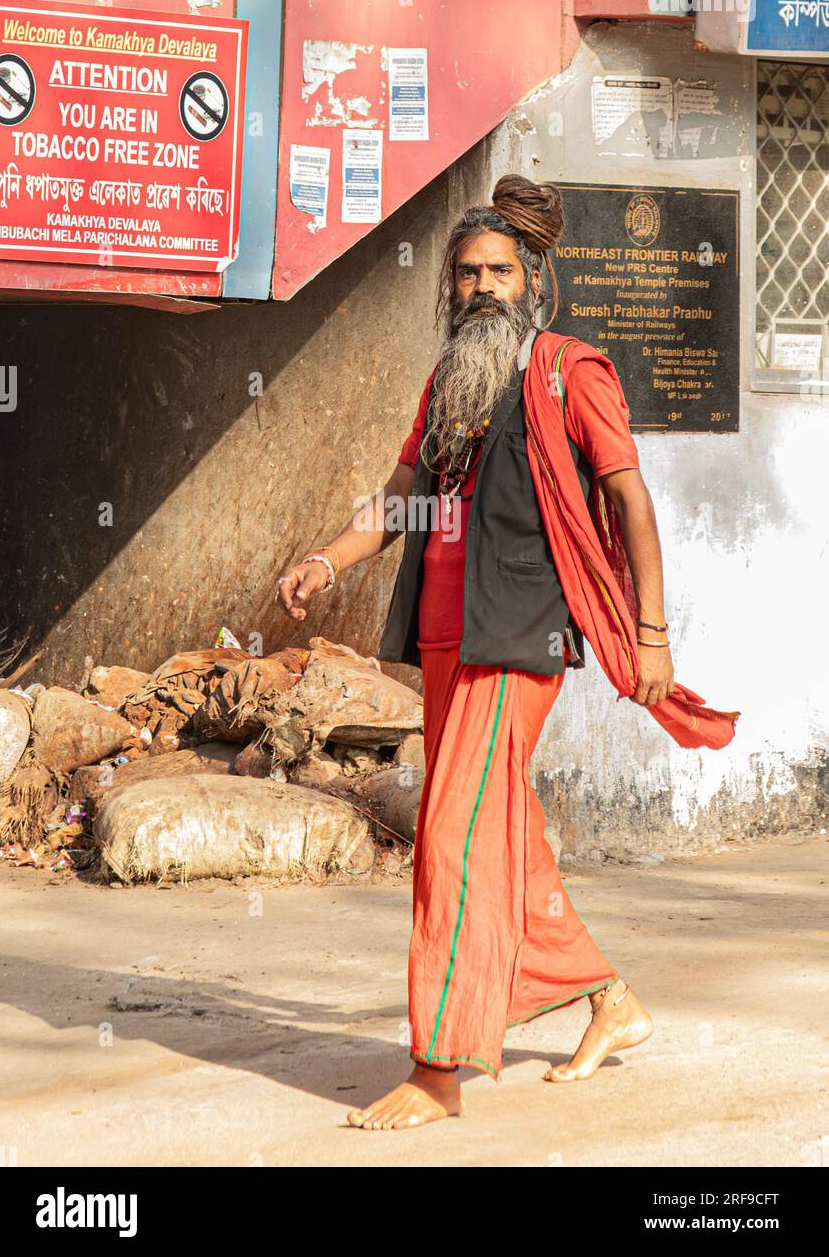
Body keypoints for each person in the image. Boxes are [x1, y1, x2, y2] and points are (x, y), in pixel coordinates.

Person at [275, 174, 736, 1131]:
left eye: (498, 272)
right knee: (503, 835)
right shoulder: (449, 382)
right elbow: (403, 493)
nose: (482, 286)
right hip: (446, 638)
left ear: (531, 282)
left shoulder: (572, 371)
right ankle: (610, 999)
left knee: (449, 841)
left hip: (518, 637)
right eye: (466, 274)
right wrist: (326, 556)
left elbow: (628, 501)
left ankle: (440, 1068)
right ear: (449, 290)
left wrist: (650, 632)